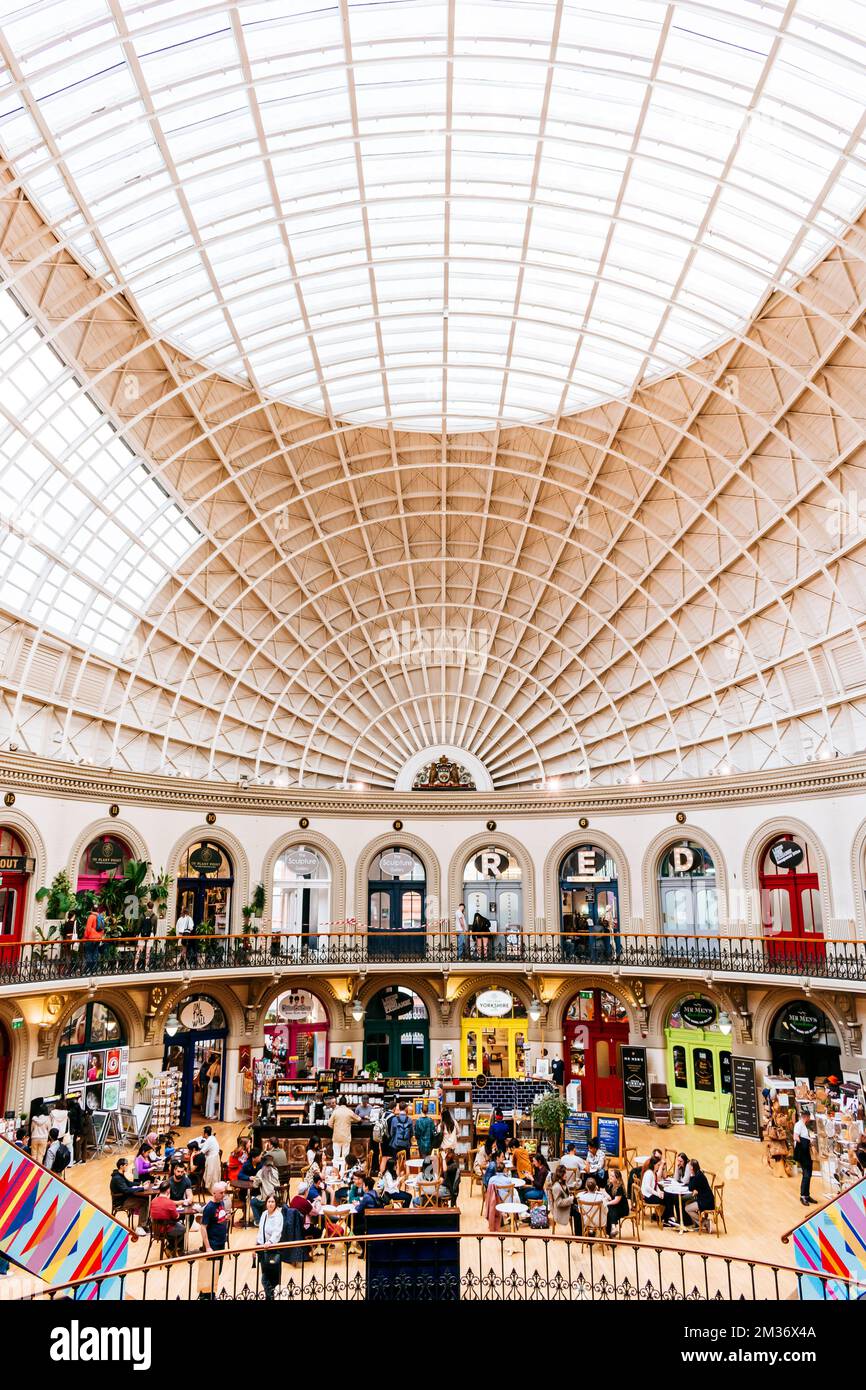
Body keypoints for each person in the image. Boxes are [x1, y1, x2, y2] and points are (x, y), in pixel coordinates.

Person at [199, 1182, 230, 1298]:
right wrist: (208, 1247)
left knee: (218, 1271)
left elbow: (219, 1218)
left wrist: (226, 1217)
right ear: (214, 1193)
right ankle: (206, 1296)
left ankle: (211, 1294)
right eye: (221, 1193)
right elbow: (203, 1227)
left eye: (224, 1192)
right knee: (209, 1271)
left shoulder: (221, 1202)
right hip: (213, 1245)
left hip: (221, 1242)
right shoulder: (209, 1208)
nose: (223, 1194)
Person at [256, 1193, 287, 1299]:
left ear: (276, 1203)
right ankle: (270, 1296)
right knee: (265, 1274)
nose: (270, 1204)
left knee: (271, 1278)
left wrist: (270, 1242)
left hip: (273, 1249)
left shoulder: (278, 1215)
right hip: (262, 1250)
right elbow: (260, 1231)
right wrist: (256, 1245)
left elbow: (277, 1232)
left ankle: (271, 1296)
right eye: (269, 1201)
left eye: (272, 1202)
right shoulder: (264, 1214)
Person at [109, 1158, 149, 1225]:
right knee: (144, 1202)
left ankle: (144, 1223)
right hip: (121, 1202)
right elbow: (126, 1190)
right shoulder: (117, 1178)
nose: (127, 1167)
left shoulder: (120, 1174)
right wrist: (142, 1188)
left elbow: (129, 1183)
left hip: (124, 1198)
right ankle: (141, 1226)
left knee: (145, 1199)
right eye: (126, 1165)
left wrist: (141, 1184)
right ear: (121, 1166)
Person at [149, 1182, 186, 1253]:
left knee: (176, 1226)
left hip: (155, 1230)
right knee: (183, 1228)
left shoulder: (153, 1201)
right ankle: (172, 1248)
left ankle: (172, 1247)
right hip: (165, 1230)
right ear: (168, 1190)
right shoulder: (169, 1203)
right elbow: (176, 1216)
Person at [329, 1095, 361, 1173]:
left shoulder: (335, 1111)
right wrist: (350, 1121)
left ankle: (335, 1174)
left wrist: (336, 1128)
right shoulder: (349, 1111)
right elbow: (359, 1119)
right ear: (346, 1103)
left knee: (336, 1157)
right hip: (346, 1137)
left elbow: (329, 1124)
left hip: (336, 1137)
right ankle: (343, 1173)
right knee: (344, 1157)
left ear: (339, 1103)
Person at [250, 1151, 281, 1224]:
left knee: (253, 1202)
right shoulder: (275, 1170)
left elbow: (255, 1185)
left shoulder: (261, 1172)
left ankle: (258, 1221)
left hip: (267, 1199)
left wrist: (256, 1180)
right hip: (277, 1197)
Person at [793, 1112, 817, 1205]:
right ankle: (803, 1196)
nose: (810, 1119)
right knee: (806, 1174)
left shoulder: (803, 1125)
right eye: (809, 1117)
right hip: (802, 1153)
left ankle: (807, 1195)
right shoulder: (798, 1125)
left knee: (808, 1173)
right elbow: (795, 1137)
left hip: (806, 1152)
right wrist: (805, 1143)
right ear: (806, 1117)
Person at [684, 1159, 715, 1228]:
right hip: (706, 1199)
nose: (688, 1168)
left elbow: (690, 1187)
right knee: (687, 1203)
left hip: (705, 1202)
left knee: (687, 1208)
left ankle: (705, 1222)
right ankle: (698, 1224)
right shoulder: (699, 1173)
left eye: (689, 1166)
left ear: (692, 1167)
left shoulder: (697, 1176)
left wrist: (691, 1175)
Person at [550, 1164, 576, 1233]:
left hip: (567, 1205)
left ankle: (579, 1233)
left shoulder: (562, 1182)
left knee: (579, 1208)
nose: (566, 1175)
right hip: (561, 1210)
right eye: (564, 1173)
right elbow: (559, 1203)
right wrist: (571, 1199)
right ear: (560, 1174)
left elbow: (565, 1192)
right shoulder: (556, 1187)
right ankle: (578, 1234)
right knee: (578, 1213)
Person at [605, 1168, 629, 1235]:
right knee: (610, 1208)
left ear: (617, 1179)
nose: (610, 1177)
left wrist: (607, 1203)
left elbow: (616, 1201)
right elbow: (605, 1192)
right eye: (610, 1175)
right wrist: (607, 1197)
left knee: (610, 1207)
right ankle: (612, 1229)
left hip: (623, 1208)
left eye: (613, 1176)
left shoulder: (619, 1188)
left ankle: (613, 1227)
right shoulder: (609, 1184)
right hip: (615, 1207)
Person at [198, 1125, 222, 1191]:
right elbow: (202, 1145)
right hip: (214, 1158)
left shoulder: (209, 1140)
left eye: (202, 1133)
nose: (201, 1134)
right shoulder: (212, 1138)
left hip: (212, 1160)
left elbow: (202, 1152)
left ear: (205, 1134)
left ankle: (211, 1190)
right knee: (213, 1176)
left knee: (211, 1176)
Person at [205, 1054, 221, 1120]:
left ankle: (207, 1114)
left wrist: (211, 1077)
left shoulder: (212, 1065)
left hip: (210, 1082)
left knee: (208, 1098)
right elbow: (220, 1076)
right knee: (212, 1099)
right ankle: (211, 1115)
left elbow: (207, 1074)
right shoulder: (219, 1066)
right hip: (215, 1083)